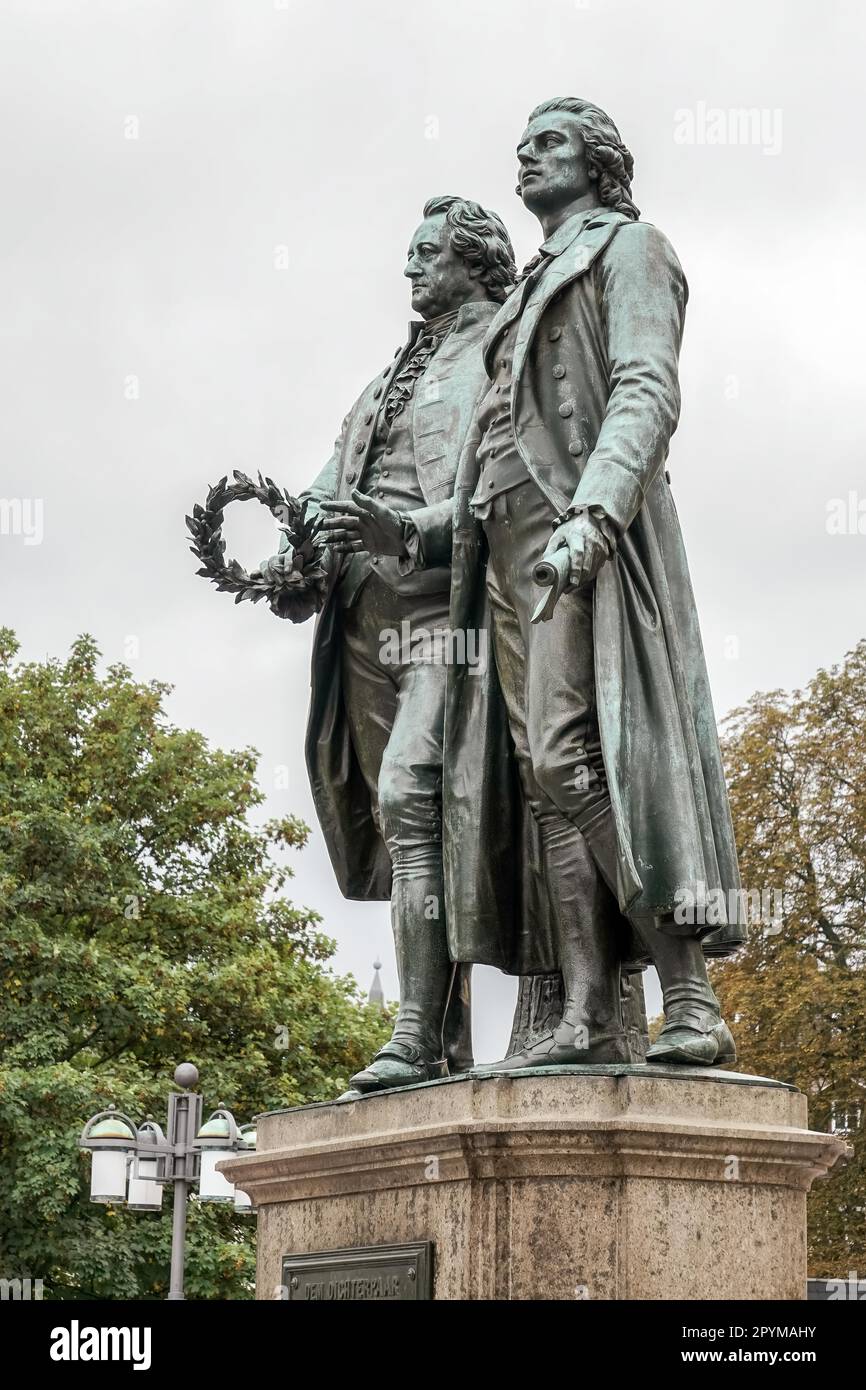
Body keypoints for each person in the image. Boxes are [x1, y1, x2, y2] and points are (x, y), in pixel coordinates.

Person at [258, 196, 516, 1091]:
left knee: (414, 798)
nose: (408, 270)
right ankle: (438, 1043)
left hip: (451, 614)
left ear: (473, 261)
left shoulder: (506, 345)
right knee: (411, 824)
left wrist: (403, 532)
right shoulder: (384, 382)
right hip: (365, 625)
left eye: (424, 254)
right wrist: (301, 551)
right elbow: (331, 487)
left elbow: (510, 488)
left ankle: (411, 1030)